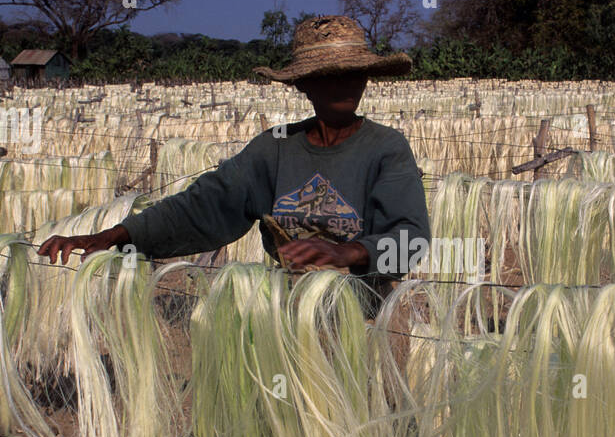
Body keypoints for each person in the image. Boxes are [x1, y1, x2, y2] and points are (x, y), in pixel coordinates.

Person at [38, 16, 432, 311]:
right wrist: (115, 236)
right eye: (326, 76)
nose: (344, 85)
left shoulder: (386, 148)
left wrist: (349, 254)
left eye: (354, 74)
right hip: (284, 315)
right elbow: (204, 207)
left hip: (360, 320)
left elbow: (411, 239)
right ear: (302, 85)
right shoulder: (277, 147)